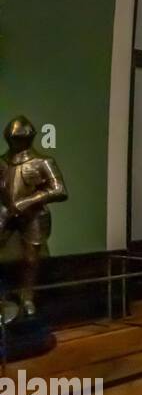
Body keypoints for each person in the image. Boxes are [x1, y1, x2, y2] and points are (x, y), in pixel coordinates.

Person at [0, 115, 68, 317]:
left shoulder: (42, 162)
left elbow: (59, 190)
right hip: (6, 211)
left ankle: (27, 297)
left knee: (31, 260)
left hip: (34, 214)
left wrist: (28, 201)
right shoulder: (2, 162)